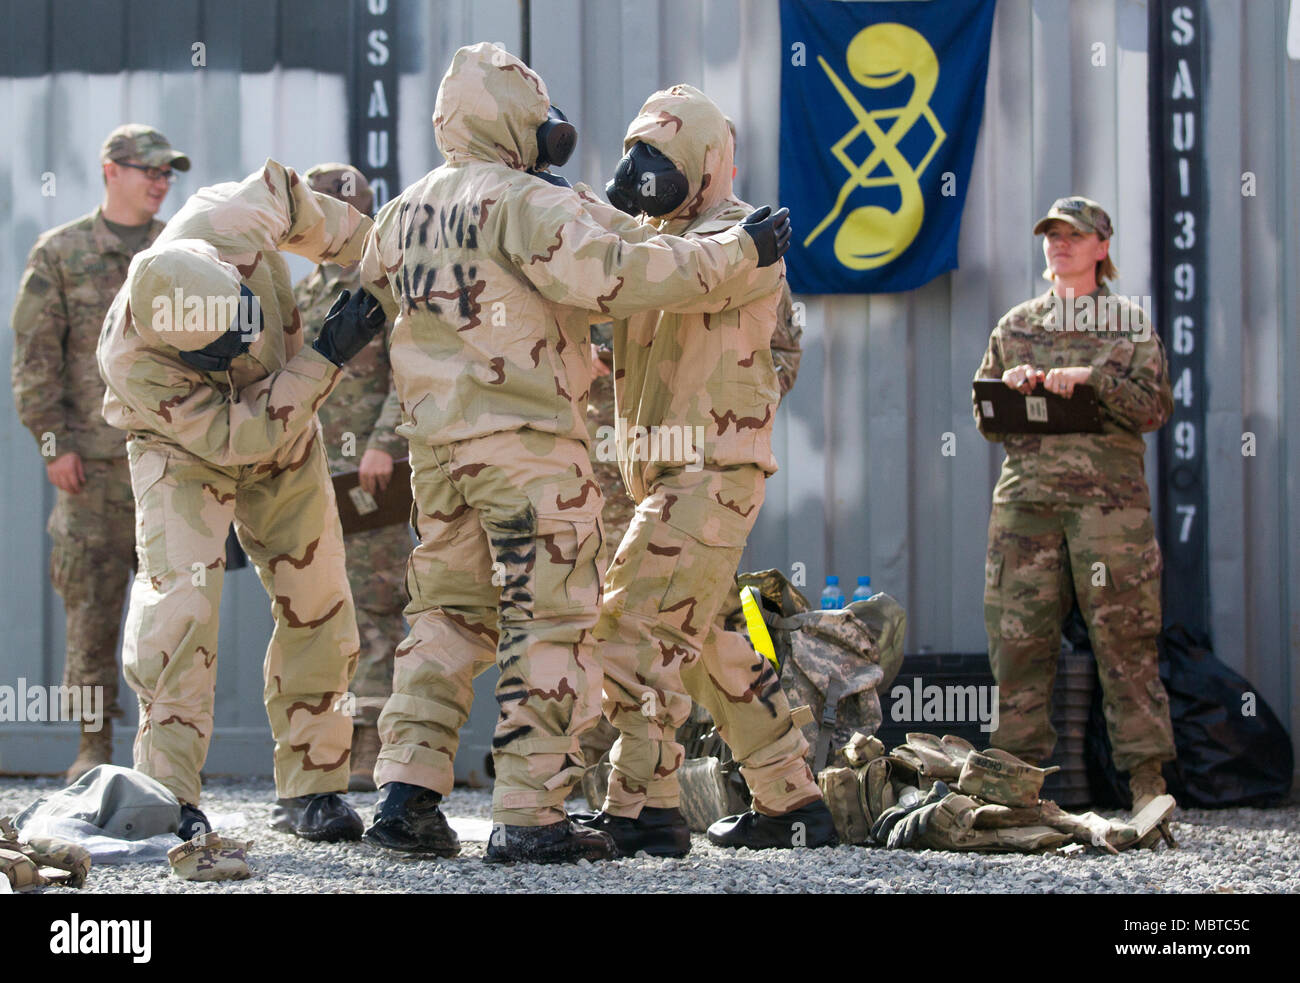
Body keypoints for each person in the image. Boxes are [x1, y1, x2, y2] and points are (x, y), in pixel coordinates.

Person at [357, 43, 790, 865]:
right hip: (527, 451)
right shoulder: (525, 202)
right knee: (548, 617)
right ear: (524, 121)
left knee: (446, 617)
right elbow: (616, 277)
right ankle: (529, 813)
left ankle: (405, 800)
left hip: (439, 453)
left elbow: (369, 296)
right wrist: (740, 253)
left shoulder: (404, 210)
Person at [560, 85, 834, 856]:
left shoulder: (742, 237)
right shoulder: (660, 241)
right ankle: (793, 800)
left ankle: (641, 808)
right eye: (641, 155)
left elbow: (691, 276)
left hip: (707, 473)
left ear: (708, 161)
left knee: (634, 625)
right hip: (667, 473)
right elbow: (640, 271)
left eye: (665, 158)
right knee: (711, 643)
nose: (648, 173)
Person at [97, 158, 383, 842]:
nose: (239, 347)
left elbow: (317, 214)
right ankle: (170, 794)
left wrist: (388, 257)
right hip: (190, 446)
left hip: (287, 432)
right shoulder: (134, 363)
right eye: (218, 347)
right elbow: (238, 434)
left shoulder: (237, 213)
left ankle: (312, 788)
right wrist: (326, 355)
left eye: (240, 325)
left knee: (320, 599)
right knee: (181, 605)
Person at [973, 196, 1176, 812]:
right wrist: (1012, 390)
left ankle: (1147, 785)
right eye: (1052, 235)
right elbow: (984, 421)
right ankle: (1014, 790)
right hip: (1027, 506)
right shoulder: (1015, 325)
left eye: (1074, 235)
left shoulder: (1128, 324)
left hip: (1108, 513)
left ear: (1102, 247)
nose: (1059, 244)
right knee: (1019, 645)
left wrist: (1093, 379)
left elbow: (1155, 408)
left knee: (1125, 643)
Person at [10, 124, 189, 781]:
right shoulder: (60, 253)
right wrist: (53, 443)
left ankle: (165, 753)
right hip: (91, 472)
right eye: (150, 170)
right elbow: (34, 361)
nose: (161, 182)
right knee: (91, 611)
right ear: (111, 170)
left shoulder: (184, 250)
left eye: (168, 173)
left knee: (175, 612)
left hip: (171, 464)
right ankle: (92, 749)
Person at [293, 163, 407, 792]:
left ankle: (372, 746)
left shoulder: (382, 284)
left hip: (370, 474)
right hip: (312, 474)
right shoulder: (305, 290)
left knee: (376, 607)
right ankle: (326, 740)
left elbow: (408, 371)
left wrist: (384, 445)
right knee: (320, 608)